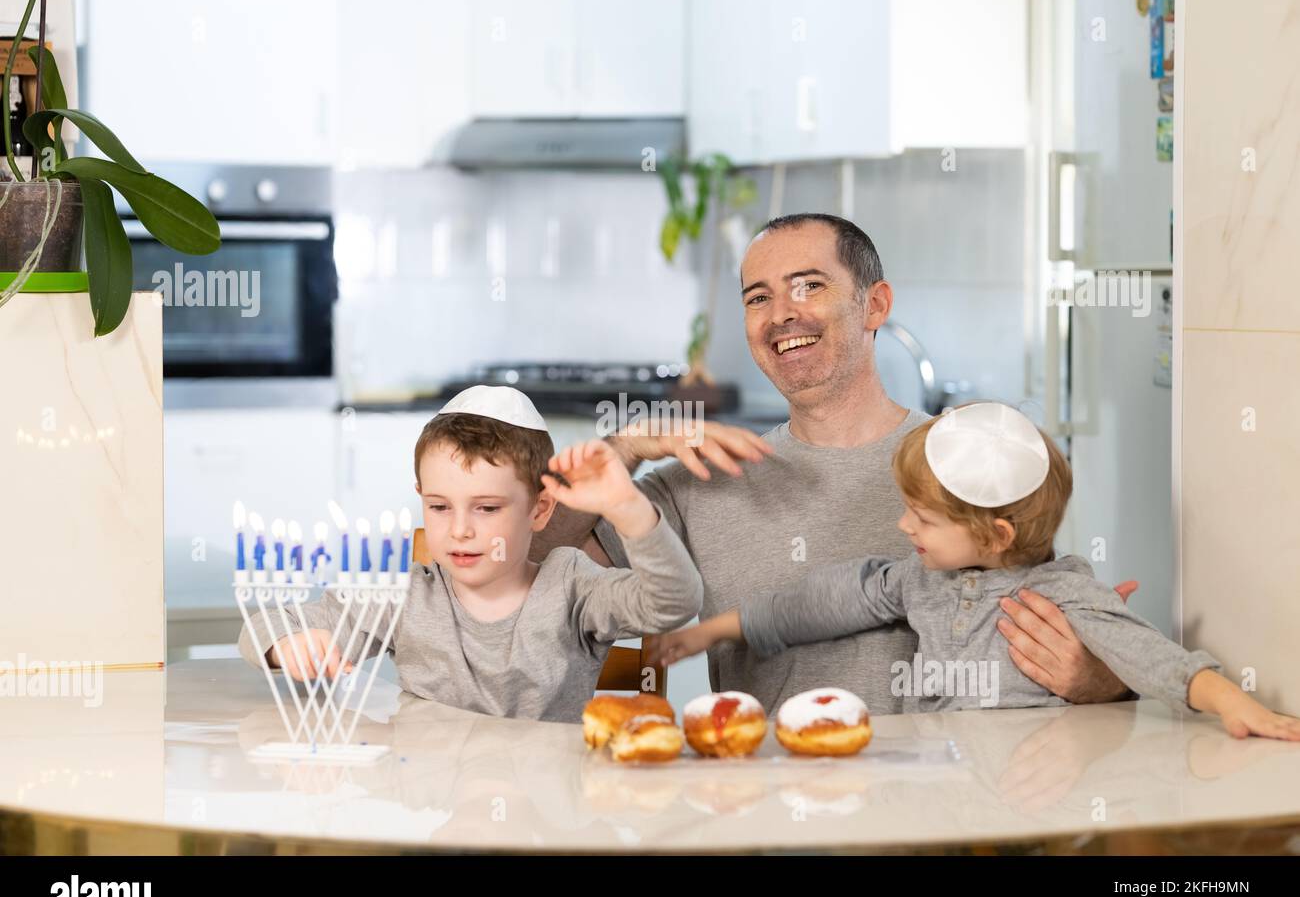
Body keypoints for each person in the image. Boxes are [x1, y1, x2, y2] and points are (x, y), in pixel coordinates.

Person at [532, 213, 1135, 715]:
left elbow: (1061, 637)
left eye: (808, 286)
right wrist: (627, 447)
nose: (781, 314)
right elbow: (536, 566)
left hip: (945, 804)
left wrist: (1100, 679)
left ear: (875, 305)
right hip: (769, 801)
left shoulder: (968, 462)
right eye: (758, 298)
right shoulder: (698, 480)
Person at [656, 403, 1300, 742]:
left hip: (1030, 794)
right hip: (934, 785)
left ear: (997, 535)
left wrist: (1235, 705)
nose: (905, 529)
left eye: (923, 519)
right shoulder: (918, 580)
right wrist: (714, 632)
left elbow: (1154, 658)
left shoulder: (1066, 593)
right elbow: (820, 602)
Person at [237, 385, 702, 723]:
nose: (459, 529)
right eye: (439, 507)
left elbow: (674, 601)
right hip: (436, 813)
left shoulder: (572, 585)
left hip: (548, 821)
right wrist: (286, 646)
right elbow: (263, 626)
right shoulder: (407, 595)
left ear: (540, 510)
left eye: (486, 508)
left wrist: (627, 510)